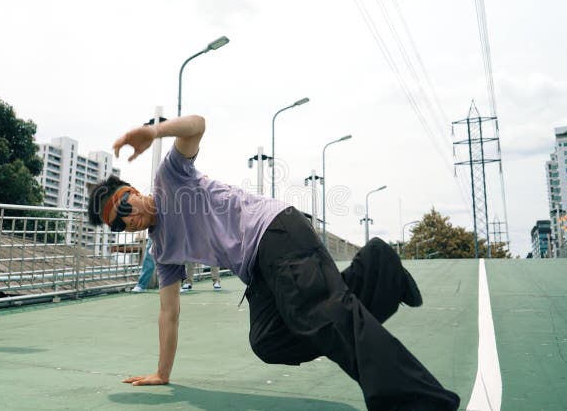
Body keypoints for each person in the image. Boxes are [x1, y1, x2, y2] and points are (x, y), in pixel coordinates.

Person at [87, 114, 459, 411]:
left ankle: (417, 401)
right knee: (270, 340)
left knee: (320, 315)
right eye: (117, 225)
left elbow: (198, 125)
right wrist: (162, 373)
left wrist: (155, 132)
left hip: (273, 231)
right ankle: (377, 271)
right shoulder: (162, 248)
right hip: (258, 269)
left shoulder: (170, 177)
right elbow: (169, 313)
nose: (127, 220)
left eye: (123, 208)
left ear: (132, 192)